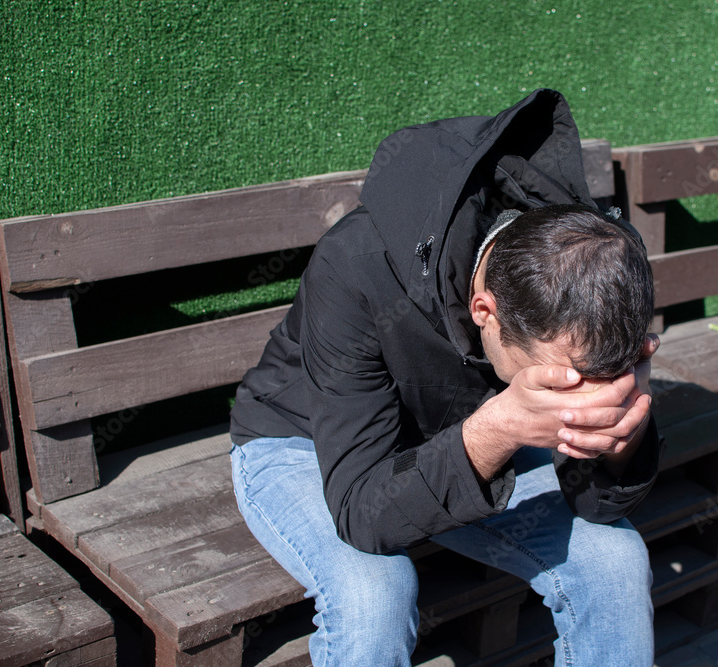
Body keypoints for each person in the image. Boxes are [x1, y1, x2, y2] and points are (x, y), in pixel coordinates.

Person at [229, 88, 662, 666]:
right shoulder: (356, 264)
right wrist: (497, 431)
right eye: (560, 382)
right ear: (485, 311)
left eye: (593, 380)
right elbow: (363, 511)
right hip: (306, 440)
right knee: (373, 598)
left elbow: (598, 507)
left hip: (460, 434)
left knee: (616, 563)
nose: (576, 398)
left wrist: (619, 445)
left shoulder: (584, 272)